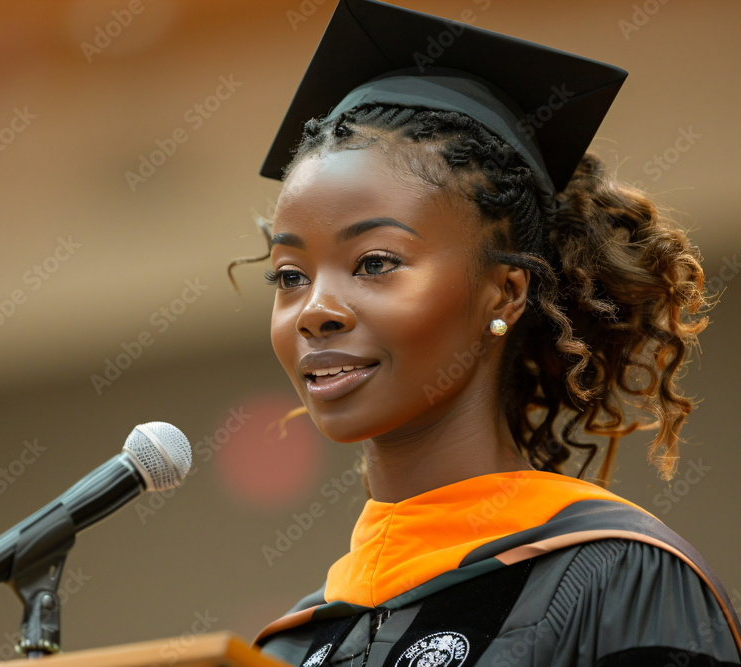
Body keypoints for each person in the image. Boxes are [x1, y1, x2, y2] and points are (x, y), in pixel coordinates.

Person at [233, 1, 741, 665]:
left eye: (375, 263)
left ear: (504, 292)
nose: (314, 309)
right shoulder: (293, 646)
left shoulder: (618, 577)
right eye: (290, 275)